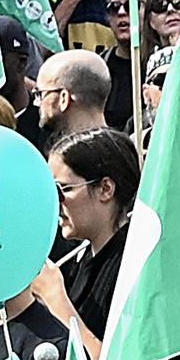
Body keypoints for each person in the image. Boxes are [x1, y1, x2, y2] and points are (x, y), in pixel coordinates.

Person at [48, 127, 138, 344]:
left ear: (105, 189)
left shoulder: (132, 264)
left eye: (63, 190)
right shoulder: (85, 258)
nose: (54, 201)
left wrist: (56, 300)